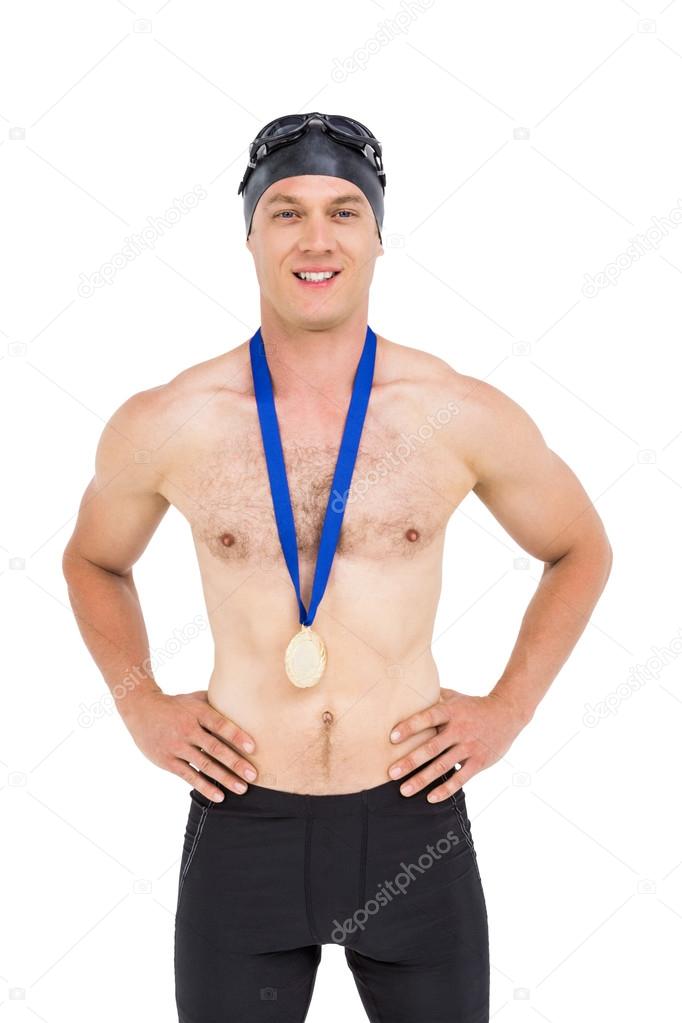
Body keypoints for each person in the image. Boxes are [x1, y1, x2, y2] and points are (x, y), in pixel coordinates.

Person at [62, 112, 612, 1023]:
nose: (316, 239)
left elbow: (579, 546)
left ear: (378, 236)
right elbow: (91, 560)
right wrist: (138, 701)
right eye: (286, 212)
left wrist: (508, 707)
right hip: (242, 817)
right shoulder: (171, 418)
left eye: (344, 211)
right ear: (249, 235)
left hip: (411, 819)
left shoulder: (455, 410)